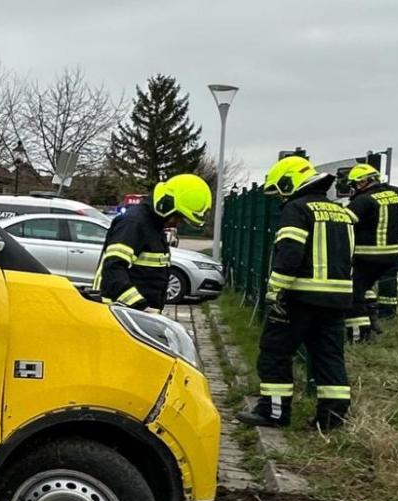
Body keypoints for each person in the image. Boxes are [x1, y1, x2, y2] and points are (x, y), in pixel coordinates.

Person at [238, 155, 356, 432]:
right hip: (337, 299)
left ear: (290, 183)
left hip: (299, 297)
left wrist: (275, 291)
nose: (280, 198)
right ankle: (331, 420)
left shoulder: (297, 209)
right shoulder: (343, 212)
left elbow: (290, 251)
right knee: (329, 356)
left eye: (280, 191)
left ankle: (274, 411)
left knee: (275, 352)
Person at [97, 174, 213, 311]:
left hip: (135, 315)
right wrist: (140, 306)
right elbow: (113, 269)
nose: (177, 223)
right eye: (178, 217)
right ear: (166, 205)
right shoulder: (134, 223)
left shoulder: (154, 226)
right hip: (122, 313)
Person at [343, 163, 398, 341]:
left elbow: (344, 221)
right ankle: (373, 317)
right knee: (365, 286)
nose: (354, 188)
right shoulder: (392, 195)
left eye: (355, 184)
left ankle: (360, 335)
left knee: (354, 291)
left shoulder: (364, 200)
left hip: (367, 254)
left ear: (364, 182)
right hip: (391, 254)